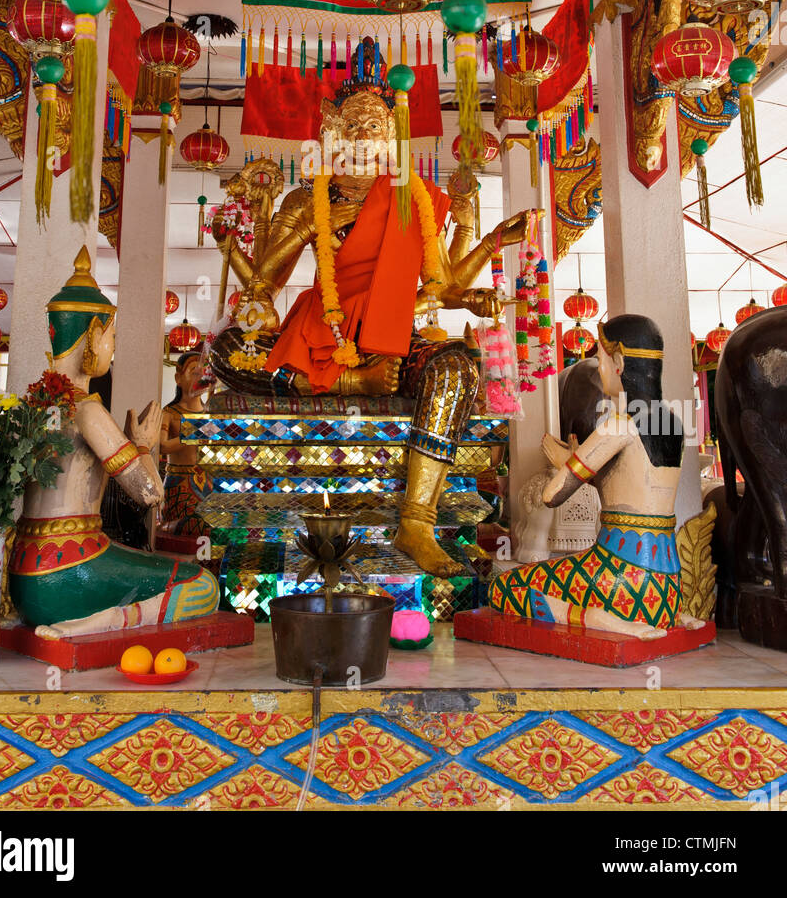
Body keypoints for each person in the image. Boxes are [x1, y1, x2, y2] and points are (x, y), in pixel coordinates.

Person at [209, 44, 529, 577]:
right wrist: (244, 246)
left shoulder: (415, 198)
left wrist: (490, 242)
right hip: (319, 333)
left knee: (455, 367)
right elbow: (262, 288)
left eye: (375, 127)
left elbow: (443, 287)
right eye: (351, 124)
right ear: (331, 129)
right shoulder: (303, 199)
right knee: (226, 352)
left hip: (393, 338)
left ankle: (417, 521)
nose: (363, 137)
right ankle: (355, 383)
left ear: (392, 136)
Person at [9, 249, 220, 637]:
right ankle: (100, 622)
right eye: (111, 338)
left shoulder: (34, 404)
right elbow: (150, 494)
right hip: (71, 572)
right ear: (92, 336)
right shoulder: (87, 411)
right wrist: (140, 445)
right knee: (203, 586)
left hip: (22, 578)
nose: (112, 348)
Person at [488, 314, 705, 639]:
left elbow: (551, 495)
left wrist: (569, 462)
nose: (597, 366)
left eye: (600, 359)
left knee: (506, 587)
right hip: (668, 584)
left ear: (619, 361)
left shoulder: (618, 425)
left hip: (619, 577)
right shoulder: (673, 423)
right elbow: (633, 483)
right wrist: (583, 467)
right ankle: (670, 615)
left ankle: (600, 619)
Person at [158, 350, 213, 538]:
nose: (201, 378)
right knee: (190, 527)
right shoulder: (169, 413)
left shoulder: (210, 414)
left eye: (205, 373)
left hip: (208, 481)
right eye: (195, 373)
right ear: (178, 378)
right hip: (180, 482)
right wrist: (192, 433)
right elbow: (162, 447)